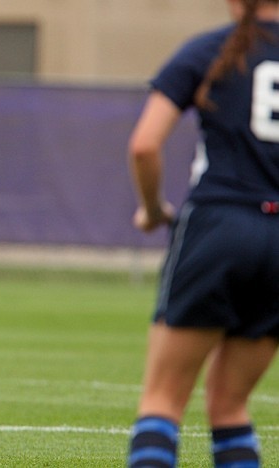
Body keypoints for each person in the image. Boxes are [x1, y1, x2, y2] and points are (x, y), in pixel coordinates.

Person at [126, 1, 279, 467]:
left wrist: (153, 209)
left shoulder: (211, 49)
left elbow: (144, 145)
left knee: (162, 400)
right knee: (230, 406)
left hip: (219, 225)